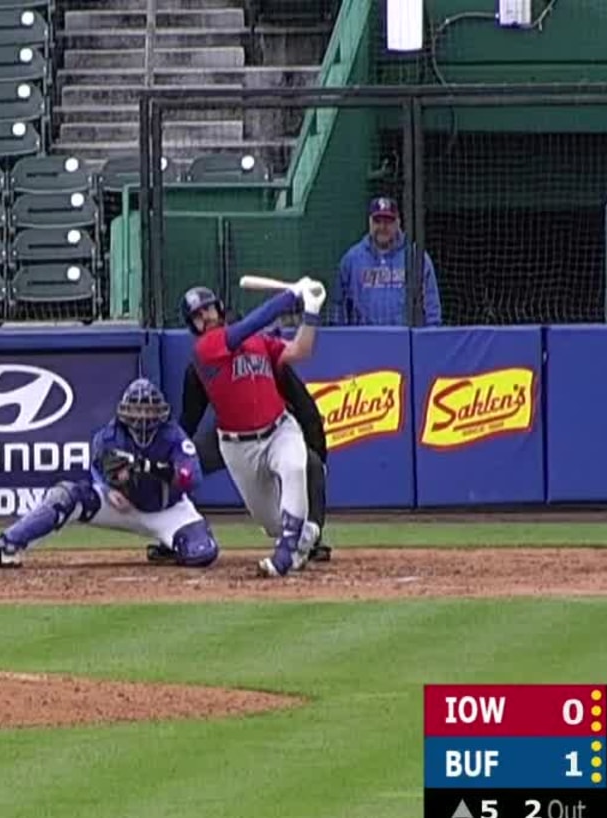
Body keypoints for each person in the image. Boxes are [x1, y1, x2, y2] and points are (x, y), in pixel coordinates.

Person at [0, 377, 219, 570]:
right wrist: (109, 489)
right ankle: (8, 544)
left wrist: (156, 469)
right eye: (137, 411)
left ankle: (170, 545)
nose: (142, 418)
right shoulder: (110, 436)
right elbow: (97, 467)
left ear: (161, 412)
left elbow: (192, 477)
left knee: (202, 554)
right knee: (65, 496)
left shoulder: (173, 436)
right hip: (122, 505)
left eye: (148, 411)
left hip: (167, 508)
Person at [187, 278, 322, 578]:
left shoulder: (259, 342)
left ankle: (285, 555)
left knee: (294, 466)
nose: (205, 318)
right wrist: (290, 296)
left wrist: (311, 312)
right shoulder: (205, 350)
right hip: (238, 446)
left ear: (220, 310)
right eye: (197, 315)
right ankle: (304, 534)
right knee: (272, 522)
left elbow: (300, 350)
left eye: (208, 310)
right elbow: (252, 323)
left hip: (278, 430)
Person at [334, 197, 441, 327]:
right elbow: (339, 309)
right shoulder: (351, 260)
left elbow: (432, 310)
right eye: (377, 221)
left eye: (388, 221)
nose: (382, 227)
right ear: (369, 222)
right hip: (363, 341)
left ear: (398, 223)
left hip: (405, 342)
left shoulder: (416, 258)